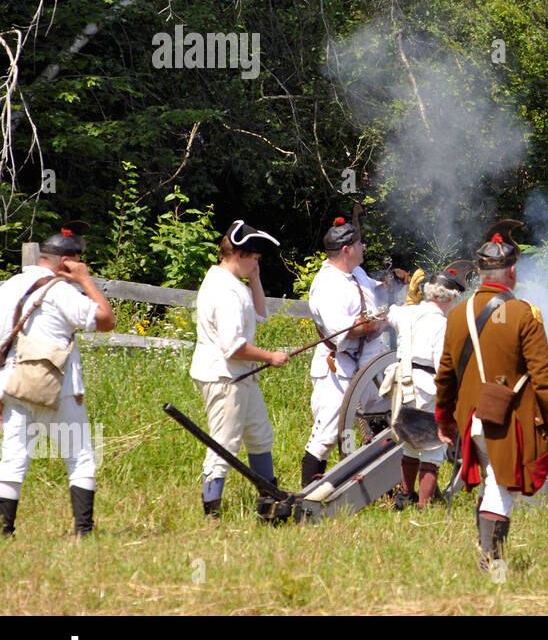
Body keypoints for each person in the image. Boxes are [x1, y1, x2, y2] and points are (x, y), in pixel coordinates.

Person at [434, 221, 548, 569]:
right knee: (501, 487)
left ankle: (490, 562)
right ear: (511, 271)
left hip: (470, 418)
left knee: (492, 483)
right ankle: (492, 566)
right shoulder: (524, 313)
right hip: (507, 418)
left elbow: (445, 376)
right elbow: (543, 376)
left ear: (480, 271)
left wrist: (444, 419)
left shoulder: (456, 315)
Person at [0, 221, 115, 536]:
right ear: (68, 262)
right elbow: (106, 320)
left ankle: (4, 531)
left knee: (12, 459)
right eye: (80, 260)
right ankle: (83, 532)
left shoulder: (7, 287)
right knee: (80, 458)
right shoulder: (62, 291)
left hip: (14, 385)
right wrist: (86, 281)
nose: (83, 265)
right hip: (61, 388)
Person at [190, 220, 289, 517]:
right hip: (224, 376)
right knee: (224, 444)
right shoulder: (224, 291)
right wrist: (270, 356)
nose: (256, 263)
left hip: (241, 376)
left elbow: (261, 314)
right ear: (238, 253)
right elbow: (232, 346)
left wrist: (255, 277)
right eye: (254, 258)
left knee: (259, 435)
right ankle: (212, 513)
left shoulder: (235, 284)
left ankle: (269, 500)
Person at [301, 218, 388, 487]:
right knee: (328, 432)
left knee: (381, 416)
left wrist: (391, 284)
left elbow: (373, 292)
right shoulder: (327, 284)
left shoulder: (356, 274)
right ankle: (313, 493)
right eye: (359, 242)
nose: (364, 246)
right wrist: (376, 324)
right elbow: (341, 330)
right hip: (337, 367)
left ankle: (381, 484)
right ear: (346, 249)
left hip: (367, 365)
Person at [382, 261, 471, 509]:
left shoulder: (407, 313)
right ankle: (423, 506)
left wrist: (409, 302)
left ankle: (405, 497)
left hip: (403, 384)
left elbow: (391, 313)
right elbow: (444, 367)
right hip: (428, 389)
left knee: (410, 445)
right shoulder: (442, 325)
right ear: (451, 298)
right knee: (433, 450)